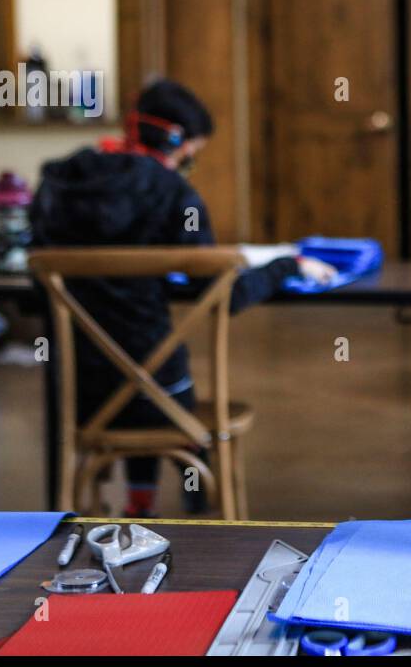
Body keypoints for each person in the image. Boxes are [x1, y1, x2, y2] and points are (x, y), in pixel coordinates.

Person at [31, 79, 335, 517]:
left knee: (126, 359)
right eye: (194, 151)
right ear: (178, 142)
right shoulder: (176, 194)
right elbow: (218, 295)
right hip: (160, 398)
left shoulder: (58, 182)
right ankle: (195, 495)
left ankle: (139, 505)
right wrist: (288, 265)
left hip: (76, 395)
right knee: (151, 366)